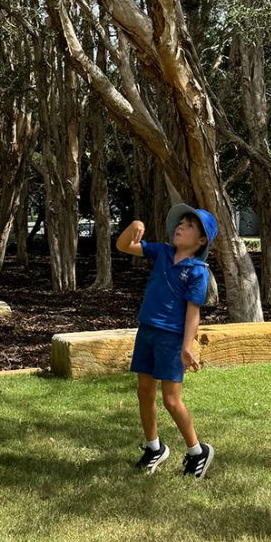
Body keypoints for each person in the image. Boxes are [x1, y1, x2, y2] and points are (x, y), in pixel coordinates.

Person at [115, 203, 219, 479]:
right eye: (180, 223)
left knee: (171, 400)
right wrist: (134, 225)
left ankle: (198, 451)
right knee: (144, 392)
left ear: (201, 240)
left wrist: (187, 347)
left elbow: (192, 314)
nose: (180, 227)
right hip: (147, 330)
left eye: (189, 226)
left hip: (171, 339)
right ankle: (154, 448)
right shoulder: (162, 252)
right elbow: (124, 246)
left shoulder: (198, 272)